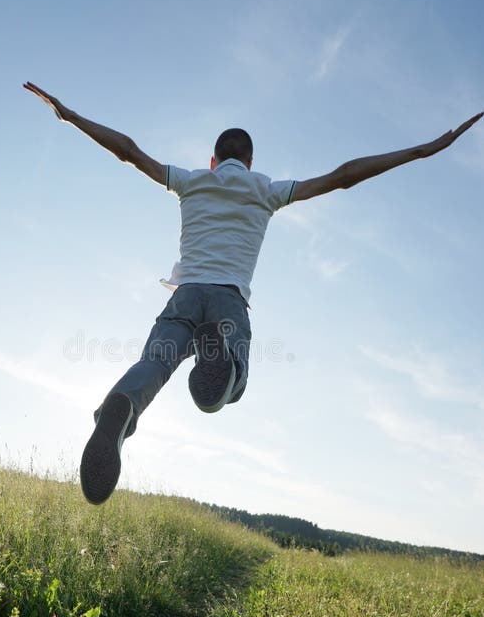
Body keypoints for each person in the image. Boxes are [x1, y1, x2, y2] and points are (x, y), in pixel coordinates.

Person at [24, 82, 482, 504]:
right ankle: (223, 363)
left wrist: (70, 116)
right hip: (227, 301)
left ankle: (120, 408)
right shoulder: (266, 190)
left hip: (184, 298)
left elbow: (128, 151)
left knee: (154, 364)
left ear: (212, 160)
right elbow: (343, 175)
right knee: (232, 385)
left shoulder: (189, 181)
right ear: (249, 161)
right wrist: (425, 149)